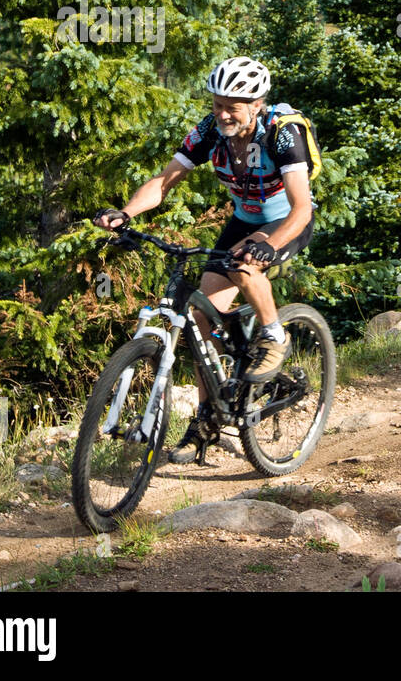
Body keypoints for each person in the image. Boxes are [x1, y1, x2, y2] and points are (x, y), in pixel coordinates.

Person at [94, 56, 315, 464]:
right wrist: (127, 212)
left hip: (286, 221)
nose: (223, 113)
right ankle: (208, 417)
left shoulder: (283, 134)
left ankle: (274, 336)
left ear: (257, 103)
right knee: (202, 317)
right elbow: (164, 181)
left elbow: (301, 206)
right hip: (244, 220)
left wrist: (269, 243)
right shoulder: (210, 131)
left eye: (233, 106)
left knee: (245, 266)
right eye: (217, 104)